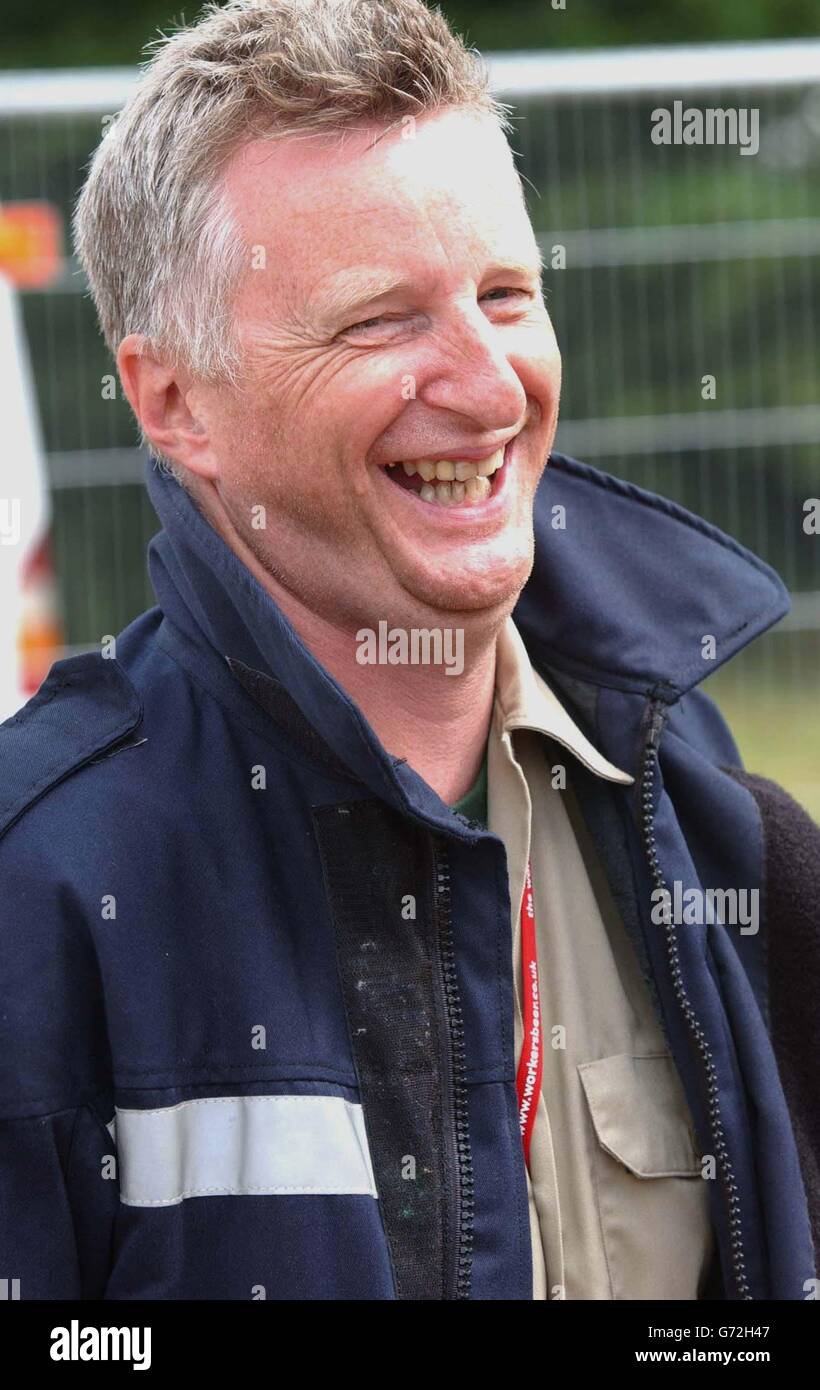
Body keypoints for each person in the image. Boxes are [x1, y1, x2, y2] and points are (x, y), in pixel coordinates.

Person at [1, 0, 817, 1301]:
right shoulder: (40, 894)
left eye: (505, 295)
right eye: (381, 321)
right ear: (170, 400)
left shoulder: (723, 839)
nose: (492, 386)